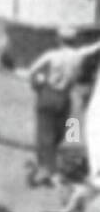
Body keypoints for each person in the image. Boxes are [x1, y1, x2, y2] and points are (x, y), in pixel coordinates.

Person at [25, 28, 100, 187]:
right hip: (65, 96)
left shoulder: (52, 56)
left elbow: (31, 71)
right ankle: (50, 165)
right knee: (64, 130)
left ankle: (50, 171)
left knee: (45, 135)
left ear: (59, 39)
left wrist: (37, 85)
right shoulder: (78, 55)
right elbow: (93, 48)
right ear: (74, 40)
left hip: (48, 94)